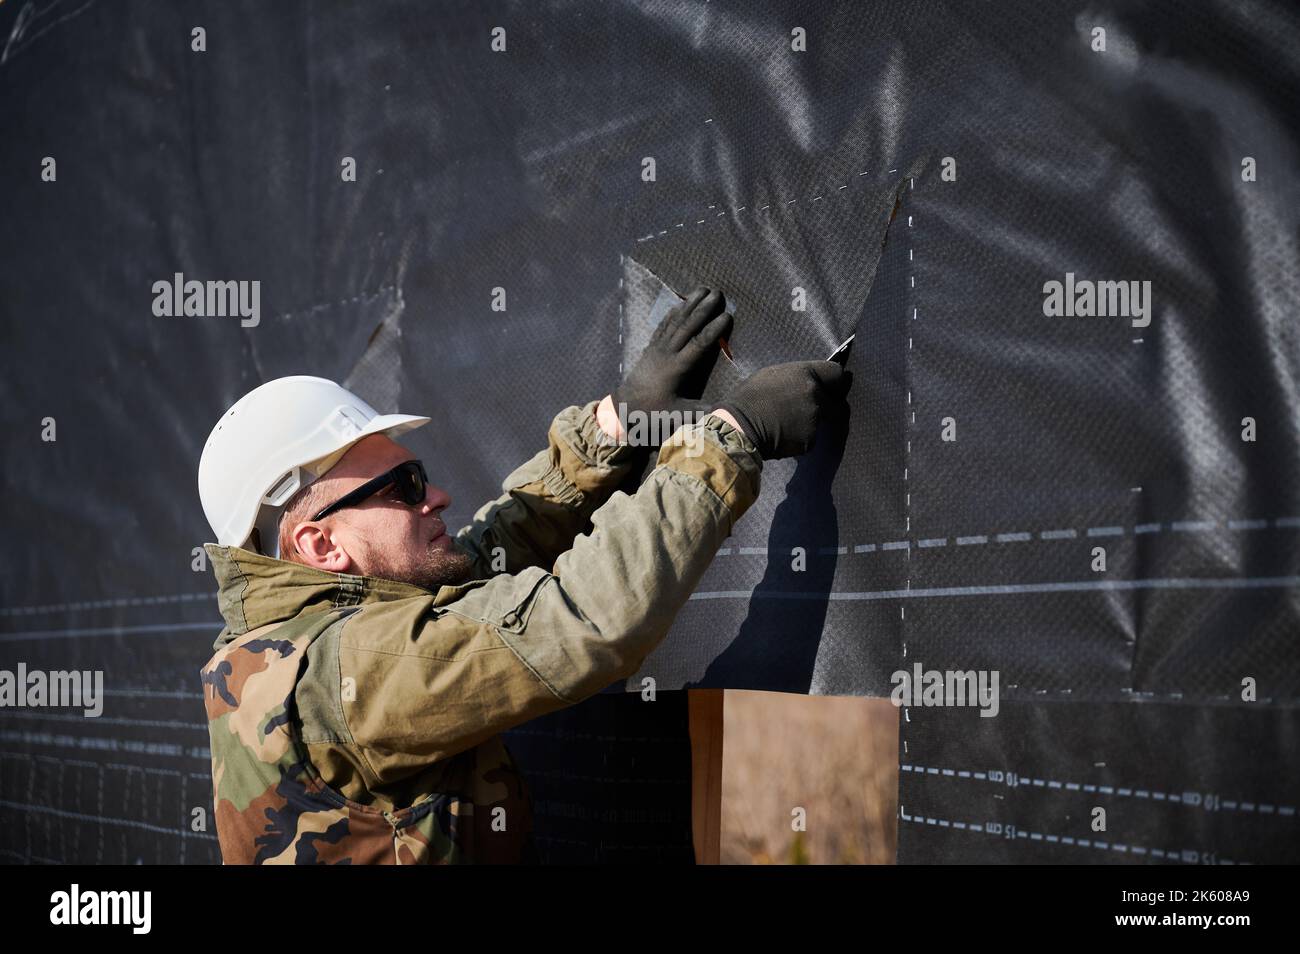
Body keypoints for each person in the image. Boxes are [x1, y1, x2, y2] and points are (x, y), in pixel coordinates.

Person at [196, 287, 851, 864]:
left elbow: (482, 564)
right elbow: (576, 620)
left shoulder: (292, 641)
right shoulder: (340, 673)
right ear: (319, 542)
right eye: (405, 486)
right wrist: (729, 438)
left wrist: (613, 427)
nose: (438, 496)